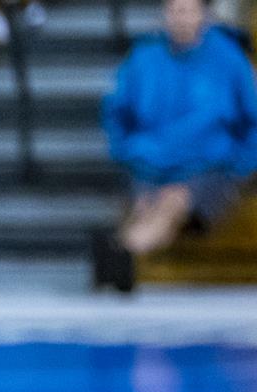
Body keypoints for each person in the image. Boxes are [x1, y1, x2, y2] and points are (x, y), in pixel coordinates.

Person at [96, 0, 257, 291]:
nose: (181, 18)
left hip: (208, 165)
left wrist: (242, 163)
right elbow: (116, 110)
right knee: (145, 205)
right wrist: (126, 149)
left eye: (188, 10)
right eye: (175, 10)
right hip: (150, 162)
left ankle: (121, 251)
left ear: (204, 15)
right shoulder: (144, 57)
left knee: (174, 200)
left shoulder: (228, 59)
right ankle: (123, 253)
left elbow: (251, 117)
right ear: (164, 14)